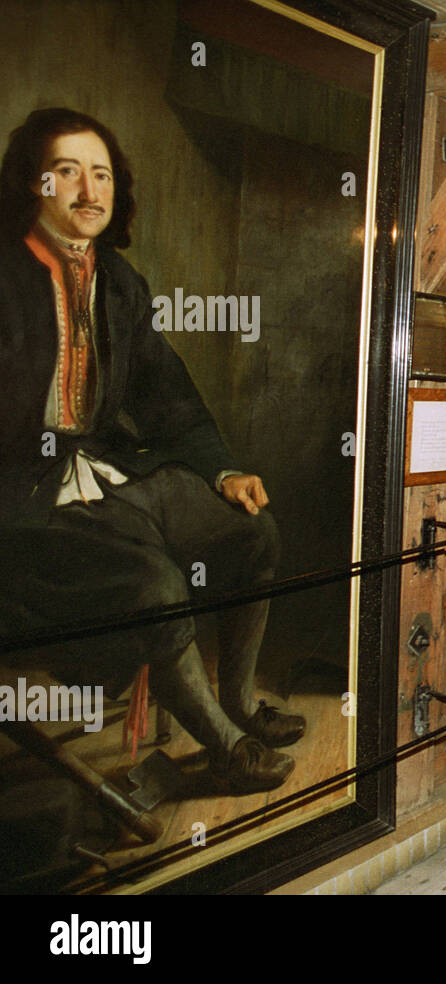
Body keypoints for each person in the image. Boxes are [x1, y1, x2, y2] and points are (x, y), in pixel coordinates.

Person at [0, 108, 303, 793]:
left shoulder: (117, 280)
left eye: (101, 174)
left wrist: (223, 470)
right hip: (20, 505)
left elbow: (167, 395)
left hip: (106, 471)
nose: (89, 192)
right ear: (32, 183)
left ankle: (239, 703)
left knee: (253, 531)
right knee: (154, 587)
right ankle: (227, 749)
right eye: (67, 172)